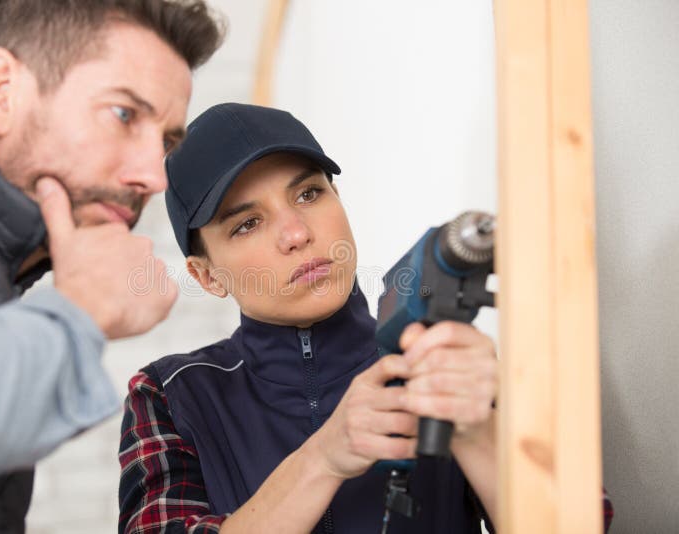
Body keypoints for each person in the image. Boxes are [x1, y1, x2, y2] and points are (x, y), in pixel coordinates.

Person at [0, 1, 223, 532]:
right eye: (124, 114)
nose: (156, 177)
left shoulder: (1, 264)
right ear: (1, 91)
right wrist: (84, 304)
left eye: (168, 142)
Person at [118, 103, 501, 534]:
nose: (297, 234)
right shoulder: (168, 396)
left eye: (308, 194)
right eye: (247, 224)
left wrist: (479, 431)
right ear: (206, 276)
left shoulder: (448, 364)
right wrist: (322, 459)